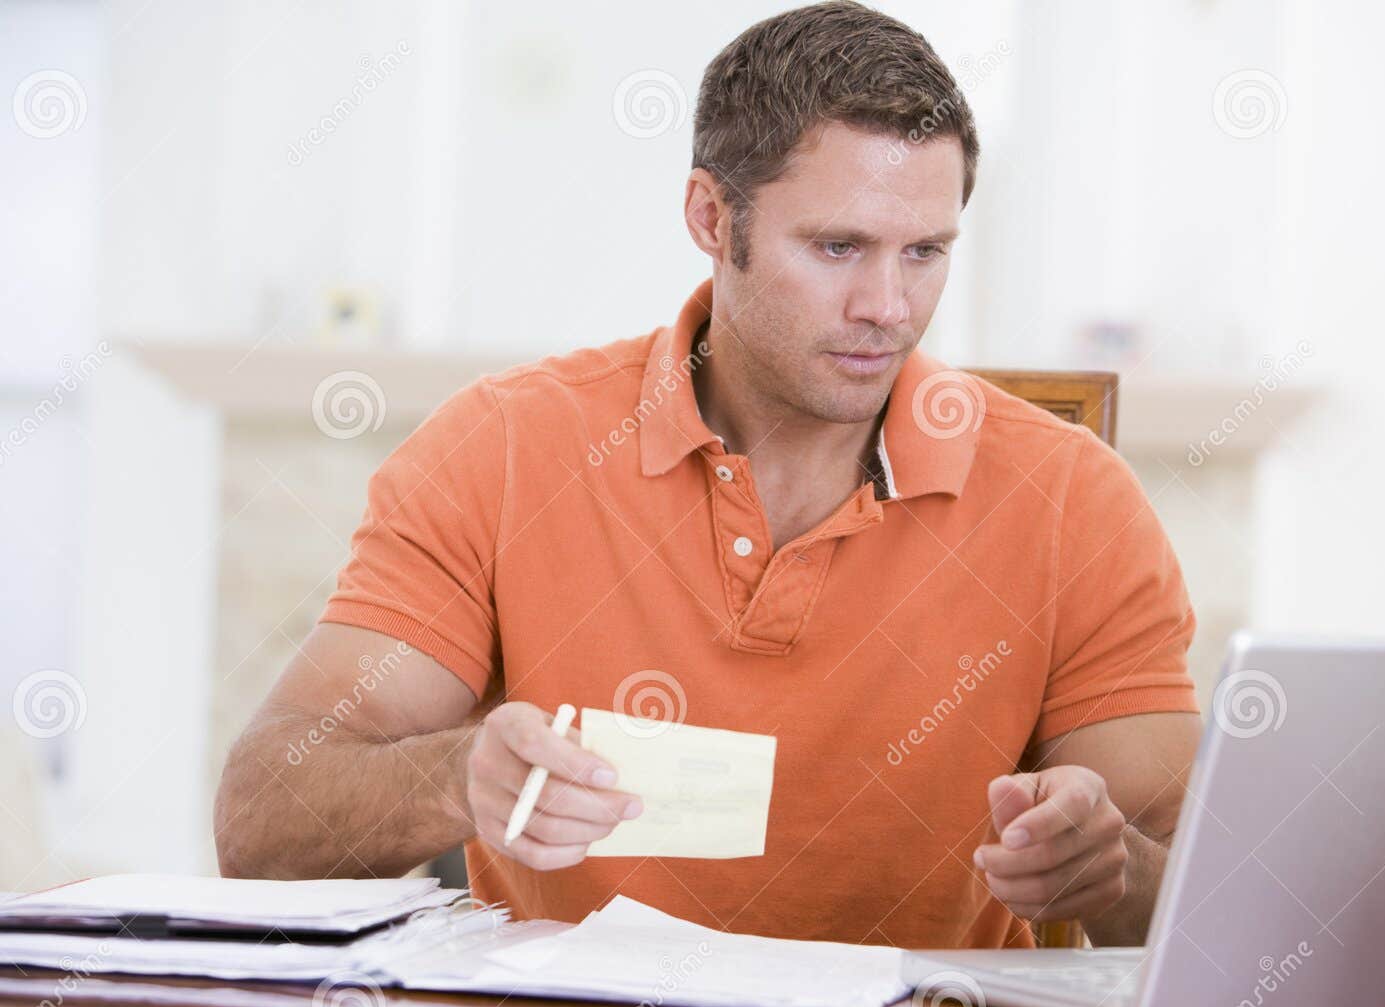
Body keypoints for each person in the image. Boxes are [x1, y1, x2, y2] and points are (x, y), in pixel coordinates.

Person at [215, 1, 1201, 949]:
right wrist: (455, 774)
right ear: (707, 214)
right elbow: (260, 823)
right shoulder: (506, 447)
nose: (887, 306)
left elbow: (1210, 905)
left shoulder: (1070, 497)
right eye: (836, 246)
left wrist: (1110, 864)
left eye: (925, 253)